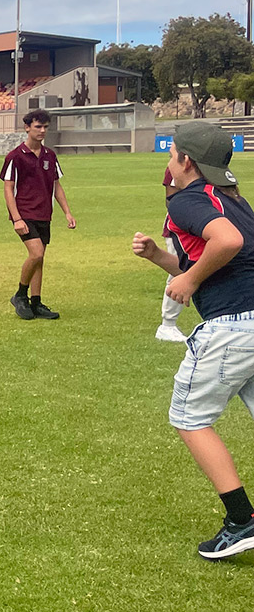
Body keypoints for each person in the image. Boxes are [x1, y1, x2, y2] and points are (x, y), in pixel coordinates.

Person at [129, 121, 254, 560]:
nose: (169, 163)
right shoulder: (234, 201)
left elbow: (227, 244)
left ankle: (241, 521)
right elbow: (212, 255)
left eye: (172, 155)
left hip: (233, 326)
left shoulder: (187, 200)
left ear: (186, 161)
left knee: (190, 418)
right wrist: (161, 259)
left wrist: (190, 278)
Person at [2, 110, 76, 320]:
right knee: (36, 254)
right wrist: (16, 218)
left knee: (39, 260)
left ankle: (36, 302)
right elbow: (8, 188)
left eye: (45, 127)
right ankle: (20, 295)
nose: (42, 131)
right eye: (38, 127)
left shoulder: (49, 155)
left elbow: (56, 185)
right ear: (27, 127)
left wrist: (67, 213)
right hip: (24, 213)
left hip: (45, 214)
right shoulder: (15, 156)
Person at [157, 168, 189, 342]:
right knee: (178, 271)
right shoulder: (177, 166)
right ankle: (167, 325)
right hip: (181, 228)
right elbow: (171, 201)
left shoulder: (209, 164)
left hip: (206, 225)